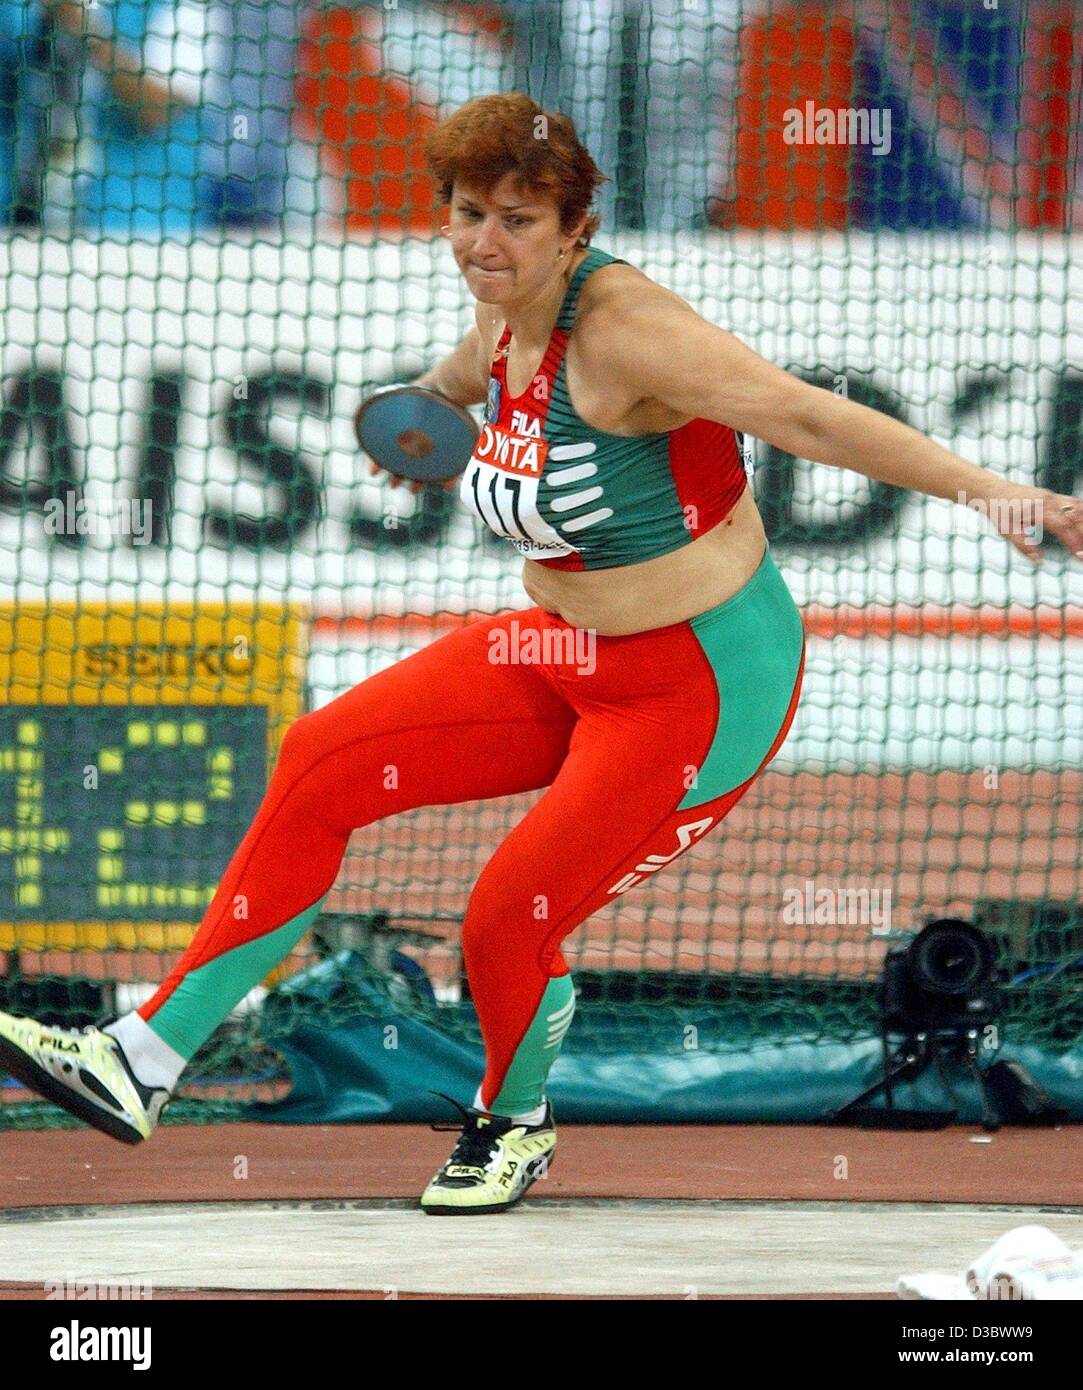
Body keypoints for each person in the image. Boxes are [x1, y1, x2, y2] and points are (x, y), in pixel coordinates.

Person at [2, 92, 1082, 1215]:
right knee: (320, 758)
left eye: (518, 219)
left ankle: (512, 1122)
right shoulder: (500, 307)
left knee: (505, 915)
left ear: (575, 228)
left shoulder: (628, 330)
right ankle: (142, 1058)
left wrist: (993, 491)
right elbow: (465, 380)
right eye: (467, 212)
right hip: (557, 647)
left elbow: (805, 414)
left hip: (698, 685)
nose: (484, 240)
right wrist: (418, 413)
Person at [43, 0, 224, 236]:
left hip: (157, 229)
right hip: (73, 220)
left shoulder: (186, 7)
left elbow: (154, 108)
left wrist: (82, 24)